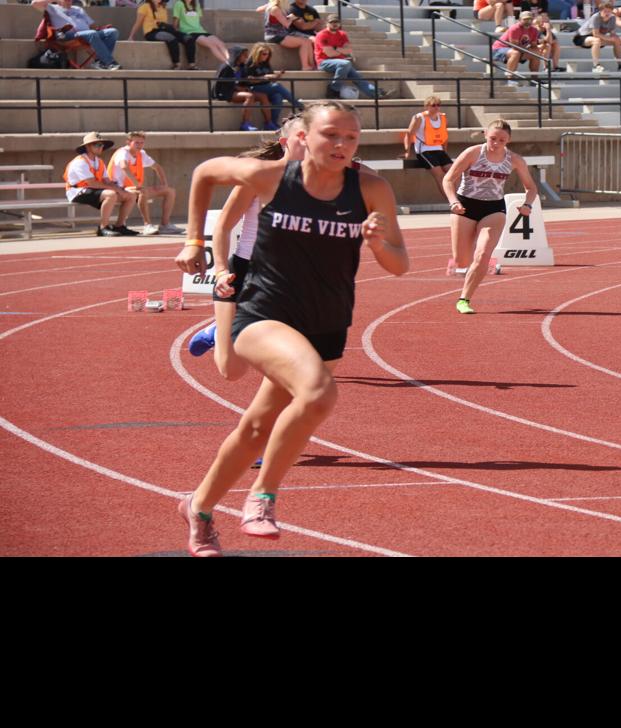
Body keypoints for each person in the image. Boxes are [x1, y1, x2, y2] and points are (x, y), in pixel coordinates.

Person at [172, 102, 409, 557]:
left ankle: (198, 508)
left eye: (351, 138)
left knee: (258, 427)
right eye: (331, 136)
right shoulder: (271, 178)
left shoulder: (372, 189)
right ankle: (262, 497)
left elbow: (401, 265)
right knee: (318, 393)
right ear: (305, 136)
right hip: (265, 313)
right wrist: (192, 241)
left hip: (327, 322)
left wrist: (378, 244)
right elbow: (203, 172)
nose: (341, 146)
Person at [189, 118, 305, 381]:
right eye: (303, 136)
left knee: (287, 356)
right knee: (230, 371)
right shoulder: (255, 178)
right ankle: (219, 331)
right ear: (286, 143)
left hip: (286, 277)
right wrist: (219, 271)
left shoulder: (323, 183)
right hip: (243, 270)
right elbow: (222, 227)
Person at [441, 120, 538, 314]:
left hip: (493, 208)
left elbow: (531, 187)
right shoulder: (473, 153)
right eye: (493, 138)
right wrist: (453, 201)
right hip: (465, 205)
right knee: (462, 260)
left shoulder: (514, 160)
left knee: (483, 252)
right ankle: (472, 265)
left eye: (502, 140)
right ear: (485, 134)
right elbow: (448, 179)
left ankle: (464, 299)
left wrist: (527, 204)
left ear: (508, 140)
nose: (496, 143)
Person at [65, 132, 139, 236]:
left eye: (102, 145)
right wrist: (116, 190)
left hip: (94, 190)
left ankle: (120, 226)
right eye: (97, 145)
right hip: (77, 191)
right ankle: (103, 228)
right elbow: (92, 183)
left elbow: (107, 181)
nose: (100, 147)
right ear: (87, 147)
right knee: (110, 194)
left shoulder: (99, 161)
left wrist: (121, 190)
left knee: (131, 195)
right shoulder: (80, 162)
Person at [107, 131, 181, 236]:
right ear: (128, 142)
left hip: (133, 188)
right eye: (136, 142)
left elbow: (157, 167)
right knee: (143, 191)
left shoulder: (142, 154)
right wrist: (137, 184)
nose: (140, 145)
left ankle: (165, 225)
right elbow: (124, 167)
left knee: (170, 191)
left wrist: (164, 183)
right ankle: (147, 225)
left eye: (142, 143)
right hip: (118, 188)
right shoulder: (122, 153)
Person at [34, 0, 122, 70]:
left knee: (113, 32)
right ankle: (109, 62)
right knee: (91, 33)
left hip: (87, 33)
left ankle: (101, 62)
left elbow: (92, 25)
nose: (69, 1)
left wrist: (100, 30)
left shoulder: (78, 9)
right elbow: (34, 3)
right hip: (67, 35)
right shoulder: (52, 8)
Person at [403, 94, 453, 205]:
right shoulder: (419, 118)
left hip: (439, 150)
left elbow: (444, 136)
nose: (436, 107)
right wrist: (407, 151)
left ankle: (459, 199)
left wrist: (445, 151)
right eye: (433, 105)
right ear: (427, 106)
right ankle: (452, 202)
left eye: (438, 105)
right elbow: (409, 134)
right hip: (424, 151)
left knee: (453, 173)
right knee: (440, 176)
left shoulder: (443, 117)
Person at [314, 14, 377, 99]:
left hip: (341, 62)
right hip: (324, 62)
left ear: (339, 23)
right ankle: (333, 89)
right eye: (332, 22)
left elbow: (349, 50)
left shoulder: (342, 34)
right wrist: (341, 51)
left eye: (336, 22)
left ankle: (377, 94)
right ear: (327, 23)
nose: (334, 24)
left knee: (358, 79)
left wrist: (335, 48)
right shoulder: (322, 35)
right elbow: (329, 54)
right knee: (345, 63)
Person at [214, 47, 276, 131]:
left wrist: (249, 83)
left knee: (263, 96)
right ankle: (245, 124)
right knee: (249, 96)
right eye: (244, 56)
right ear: (237, 56)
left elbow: (244, 81)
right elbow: (222, 84)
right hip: (225, 92)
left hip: (238, 91)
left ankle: (268, 123)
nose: (246, 58)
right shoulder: (226, 67)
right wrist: (238, 88)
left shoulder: (242, 67)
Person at [126, 0, 196, 70]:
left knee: (189, 38)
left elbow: (164, 23)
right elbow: (138, 23)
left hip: (164, 29)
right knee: (171, 38)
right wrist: (131, 36)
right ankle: (176, 64)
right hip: (151, 32)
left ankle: (191, 64)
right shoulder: (144, 7)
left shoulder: (162, 7)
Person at [244, 42, 302, 125]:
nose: (266, 56)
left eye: (268, 54)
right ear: (257, 53)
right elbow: (249, 80)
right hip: (254, 88)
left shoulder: (266, 63)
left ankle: (271, 123)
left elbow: (272, 79)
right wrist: (265, 77)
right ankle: (299, 106)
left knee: (278, 97)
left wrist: (277, 76)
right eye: (264, 54)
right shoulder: (250, 64)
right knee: (277, 86)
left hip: (267, 87)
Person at [577, 1, 621, 72]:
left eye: (609, 11)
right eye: (605, 11)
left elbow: (612, 33)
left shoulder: (612, 18)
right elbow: (596, 34)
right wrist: (610, 38)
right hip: (582, 37)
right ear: (600, 11)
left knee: (617, 40)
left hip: (598, 37)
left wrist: (618, 39)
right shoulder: (596, 17)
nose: (607, 13)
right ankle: (596, 66)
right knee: (596, 41)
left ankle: (620, 64)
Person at [168, 0, 233, 69]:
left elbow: (197, 20)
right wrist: (177, 33)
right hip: (190, 32)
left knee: (221, 43)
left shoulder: (196, 4)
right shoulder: (179, 4)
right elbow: (175, 22)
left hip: (201, 30)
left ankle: (231, 61)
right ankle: (228, 64)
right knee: (211, 44)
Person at [259, 0, 317, 70]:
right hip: (275, 35)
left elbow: (259, 10)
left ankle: (312, 65)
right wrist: (291, 18)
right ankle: (305, 66)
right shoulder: (275, 9)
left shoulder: (272, 7)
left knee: (308, 41)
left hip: (280, 34)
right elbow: (286, 24)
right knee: (304, 42)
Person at [491, 11, 544, 82]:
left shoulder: (534, 30)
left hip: (517, 49)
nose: (528, 21)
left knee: (536, 53)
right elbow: (515, 46)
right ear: (519, 20)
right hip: (499, 49)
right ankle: (510, 78)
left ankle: (534, 79)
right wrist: (528, 50)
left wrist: (538, 49)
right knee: (515, 53)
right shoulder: (515, 28)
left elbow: (534, 45)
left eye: (530, 19)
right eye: (525, 19)